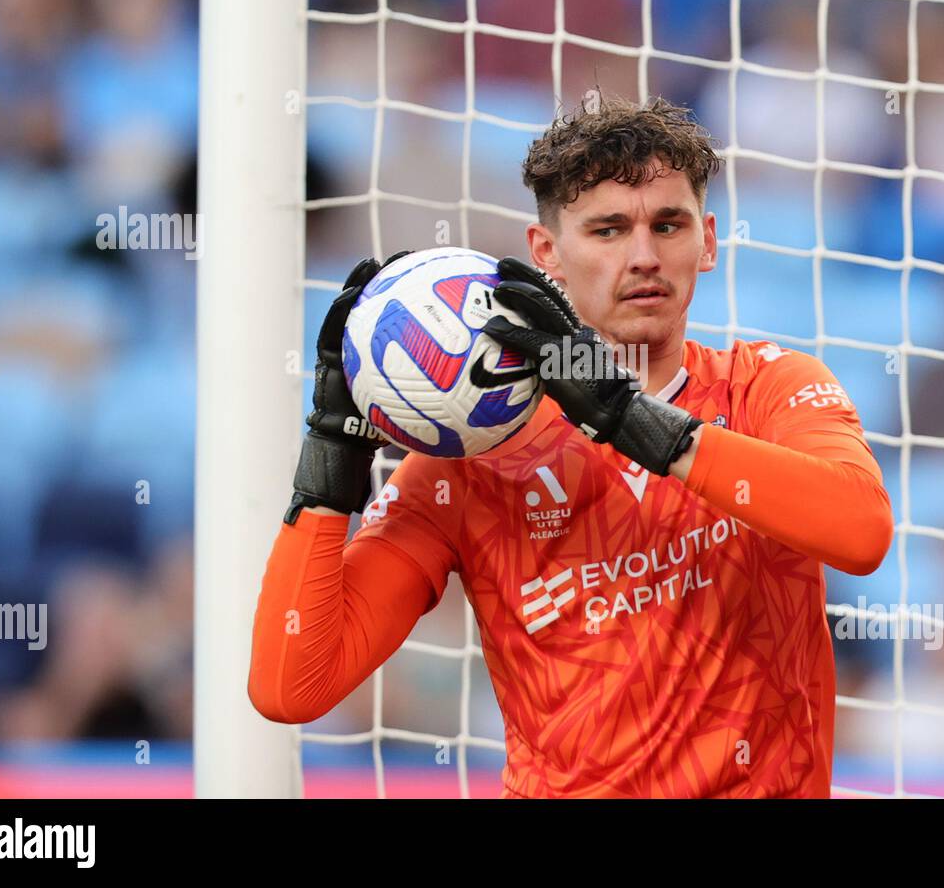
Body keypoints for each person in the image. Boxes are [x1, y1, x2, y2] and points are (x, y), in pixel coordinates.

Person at [248, 93, 894, 798]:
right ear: (546, 253)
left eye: (668, 225)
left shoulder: (767, 388)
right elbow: (291, 687)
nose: (644, 256)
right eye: (609, 230)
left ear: (707, 241)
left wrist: (630, 421)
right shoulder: (468, 463)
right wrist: (329, 465)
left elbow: (861, 533)